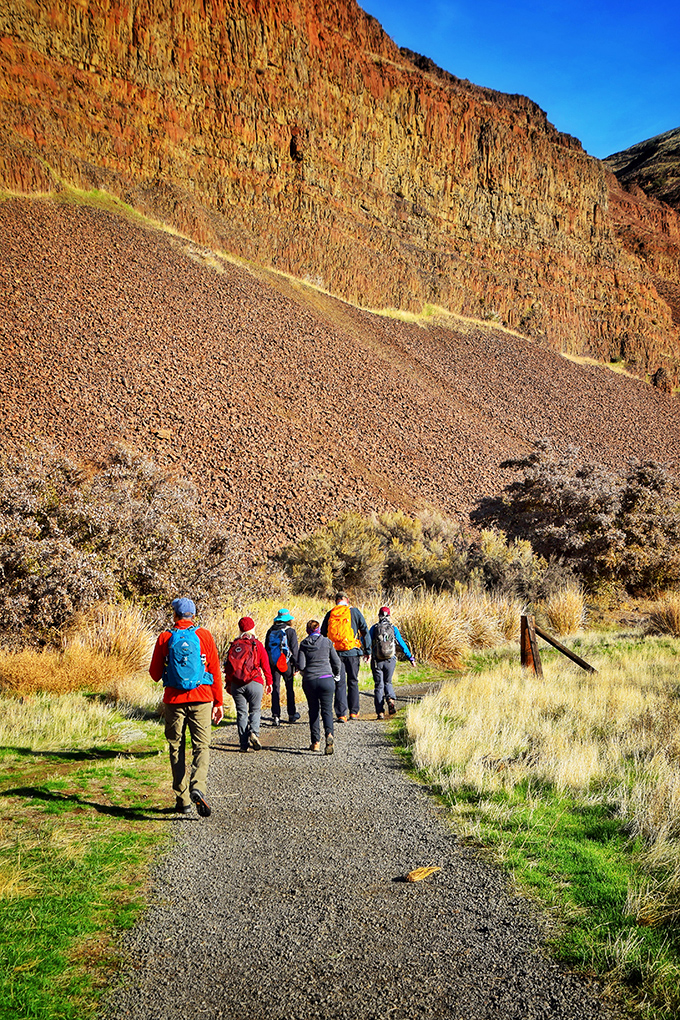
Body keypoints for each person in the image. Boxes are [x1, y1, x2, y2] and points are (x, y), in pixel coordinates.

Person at [149, 596, 224, 818]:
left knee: (176, 747)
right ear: (193, 615)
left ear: (174, 615)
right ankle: (198, 787)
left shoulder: (165, 637)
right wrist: (218, 702)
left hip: (174, 700)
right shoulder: (204, 635)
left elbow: (154, 674)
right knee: (202, 746)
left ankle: (182, 800)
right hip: (202, 697)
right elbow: (215, 671)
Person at [223, 616, 272, 752]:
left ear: (240, 629)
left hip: (236, 684)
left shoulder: (234, 645)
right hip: (255, 681)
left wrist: (228, 684)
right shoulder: (257, 644)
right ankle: (254, 733)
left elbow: (228, 668)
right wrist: (269, 682)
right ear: (253, 628)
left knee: (241, 713)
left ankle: (243, 745)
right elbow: (265, 665)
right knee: (255, 710)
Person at [321, 592, 371, 722]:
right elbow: (364, 630)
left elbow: (323, 633)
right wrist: (367, 650)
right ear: (347, 600)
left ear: (336, 601)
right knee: (353, 681)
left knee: (339, 682)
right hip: (353, 652)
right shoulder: (354, 612)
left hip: (336, 653)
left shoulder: (331, 613)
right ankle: (354, 712)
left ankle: (341, 714)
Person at [297, 619, 341, 754]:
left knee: (313, 710)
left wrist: (305, 673)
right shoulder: (327, 642)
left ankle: (315, 743)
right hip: (326, 679)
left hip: (310, 680)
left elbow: (301, 665)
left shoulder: (304, 644)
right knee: (327, 710)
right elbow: (336, 662)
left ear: (307, 631)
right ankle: (329, 735)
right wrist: (337, 674)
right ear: (319, 629)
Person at [370, 605, 415, 718]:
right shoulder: (393, 628)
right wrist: (411, 658)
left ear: (379, 616)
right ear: (389, 616)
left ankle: (380, 712)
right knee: (388, 682)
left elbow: (364, 641)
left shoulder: (374, 628)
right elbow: (402, 643)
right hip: (390, 660)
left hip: (377, 661)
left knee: (379, 686)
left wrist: (366, 653)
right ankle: (390, 700)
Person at [264, 608, 300, 727]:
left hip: (273, 663)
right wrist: (297, 666)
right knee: (289, 688)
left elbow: (266, 649)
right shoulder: (290, 631)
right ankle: (291, 714)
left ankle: (276, 716)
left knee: (275, 688)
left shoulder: (270, 631)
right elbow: (294, 650)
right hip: (286, 663)